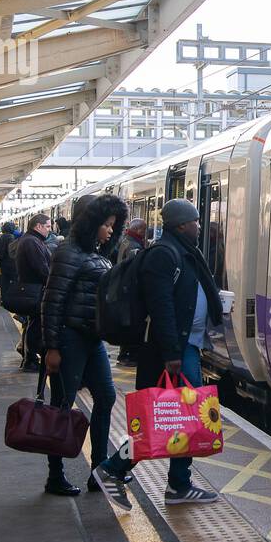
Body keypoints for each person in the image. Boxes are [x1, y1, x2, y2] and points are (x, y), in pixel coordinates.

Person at [94, 199, 221, 507]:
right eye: (195, 221)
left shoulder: (182, 251)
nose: (199, 226)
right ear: (181, 225)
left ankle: (177, 484)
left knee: (180, 420)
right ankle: (114, 469)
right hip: (170, 352)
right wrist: (172, 352)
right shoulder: (163, 255)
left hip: (185, 346)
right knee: (168, 420)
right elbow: (161, 307)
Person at [40, 193, 130, 498]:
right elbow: (52, 301)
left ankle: (99, 469)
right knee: (62, 407)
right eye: (105, 224)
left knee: (105, 397)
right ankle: (55, 475)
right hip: (69, 338)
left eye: (112, 226)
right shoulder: (69, 253)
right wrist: (51, 346)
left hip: (92, 340)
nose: (109, 230)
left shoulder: (98, 254)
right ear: (90, 222)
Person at [15, 213, 54, 372]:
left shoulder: (31, 240)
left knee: (33, 323)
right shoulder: (32, 242)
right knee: (35, 324)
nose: (49, 230)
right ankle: (30, 359)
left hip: (32, 289)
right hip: (35, 290)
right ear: (38, 226)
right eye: (47, 226)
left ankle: (28, 355)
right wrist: (52, 281)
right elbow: (41, 268)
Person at [114, 218, 148, 367]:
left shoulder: (125, 241)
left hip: (123, 287)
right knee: (132, 324)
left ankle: (125, 354)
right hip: (129, 289)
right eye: (145, 230)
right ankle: (128, 355)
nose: (146, 233)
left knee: (127, 323)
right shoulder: (134, 246)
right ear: (139, 230)